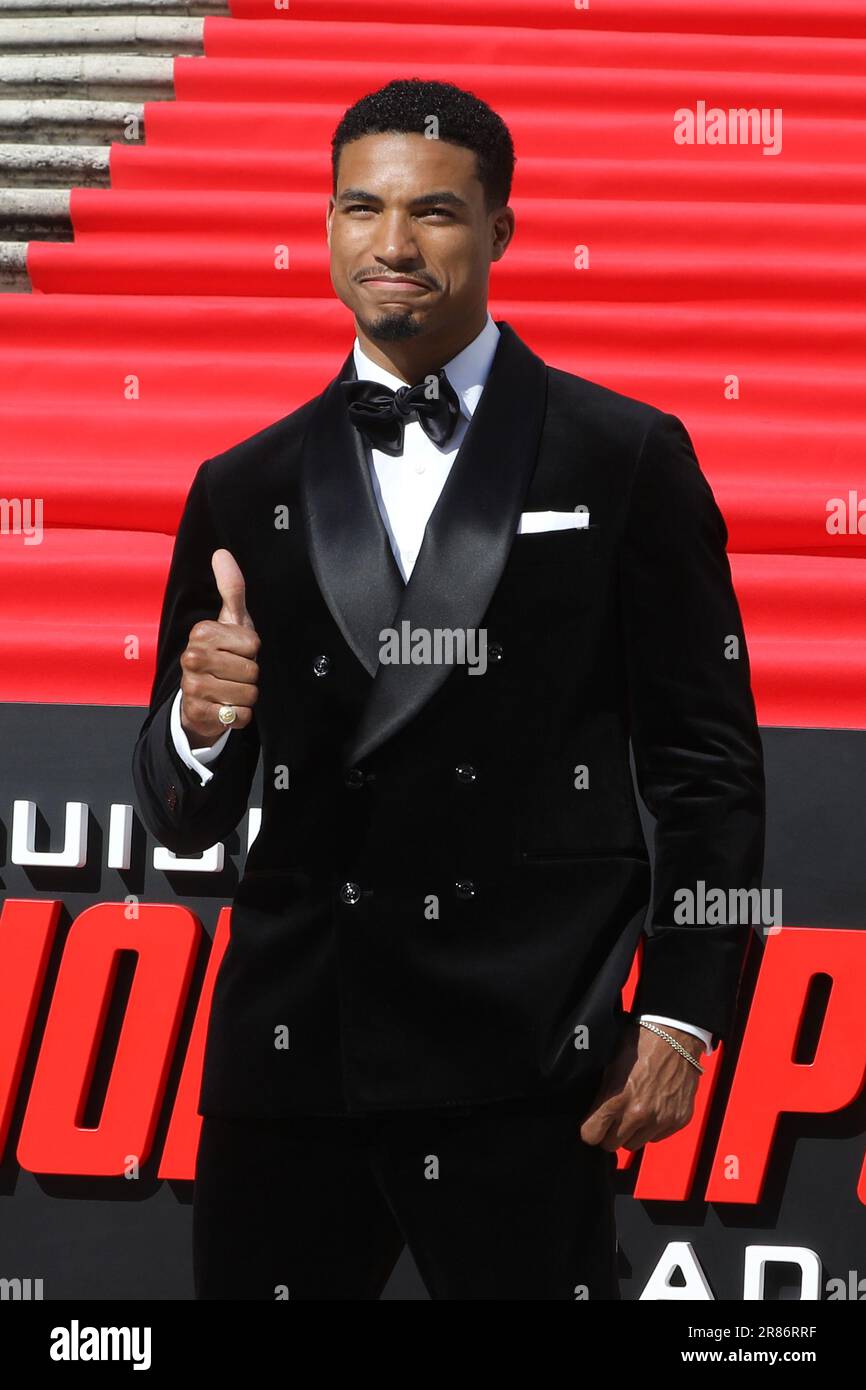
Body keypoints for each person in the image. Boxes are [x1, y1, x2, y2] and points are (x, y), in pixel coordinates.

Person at [132, 78, 766, 1300]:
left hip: (525, 1055)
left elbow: (705, 762)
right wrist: (199, 726)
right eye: (360, 208)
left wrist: (685, 1013)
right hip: (292, 1053)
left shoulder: (621, 452)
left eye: (433, 212)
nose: (392, 245)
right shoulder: (238, 481)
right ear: (324, 225)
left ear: (499, 232)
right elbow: (180, 816)